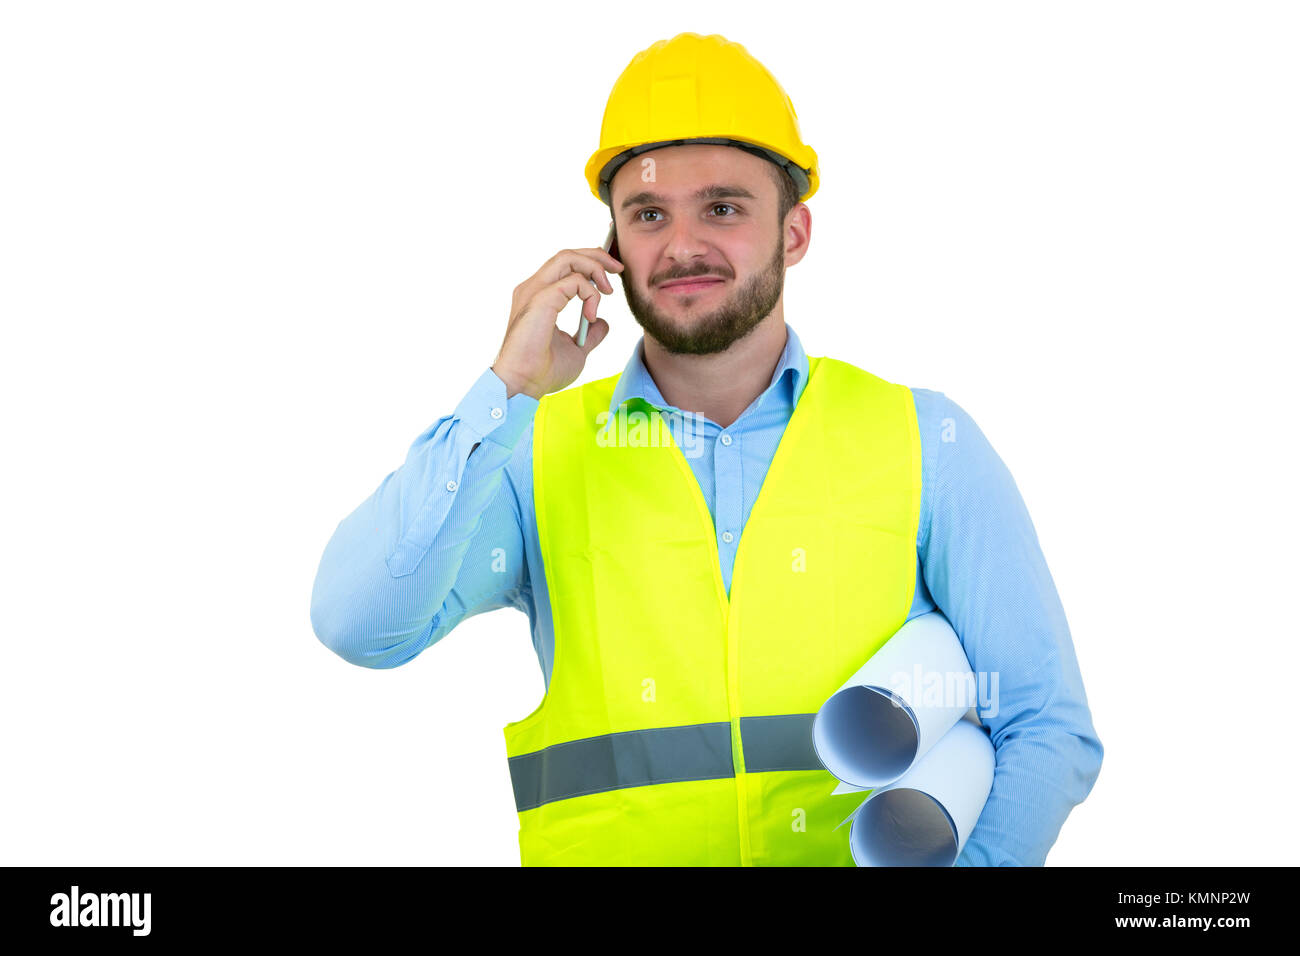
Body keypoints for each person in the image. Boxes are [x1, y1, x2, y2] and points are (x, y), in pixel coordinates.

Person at [310, 32, 1103, 866]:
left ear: (794, 234)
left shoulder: (927, 443)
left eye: (722, 207)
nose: (682, 245)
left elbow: (1046, 725)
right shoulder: (529, 455)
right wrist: (504, 389)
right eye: (649, 214)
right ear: (611, 247)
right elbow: (359, 624)